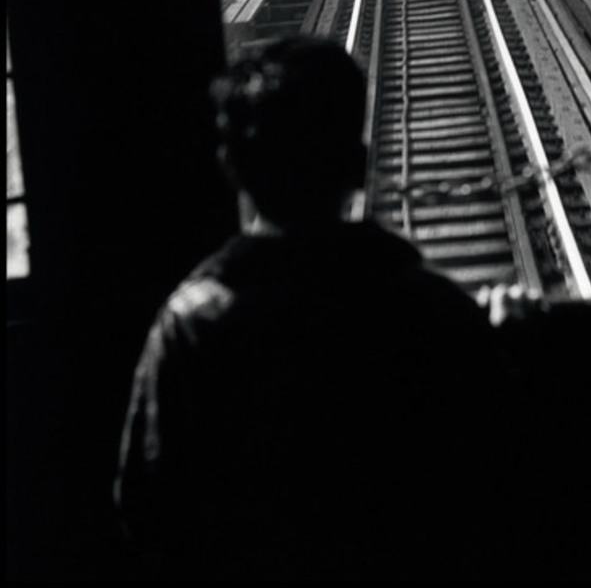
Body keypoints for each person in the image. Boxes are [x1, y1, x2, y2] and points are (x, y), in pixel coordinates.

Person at [114, 37, 515, 581]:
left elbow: (150, 511)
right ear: (358, 165)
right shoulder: (433, 312)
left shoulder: (194, 327)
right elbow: (489, 488)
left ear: (232, 167)